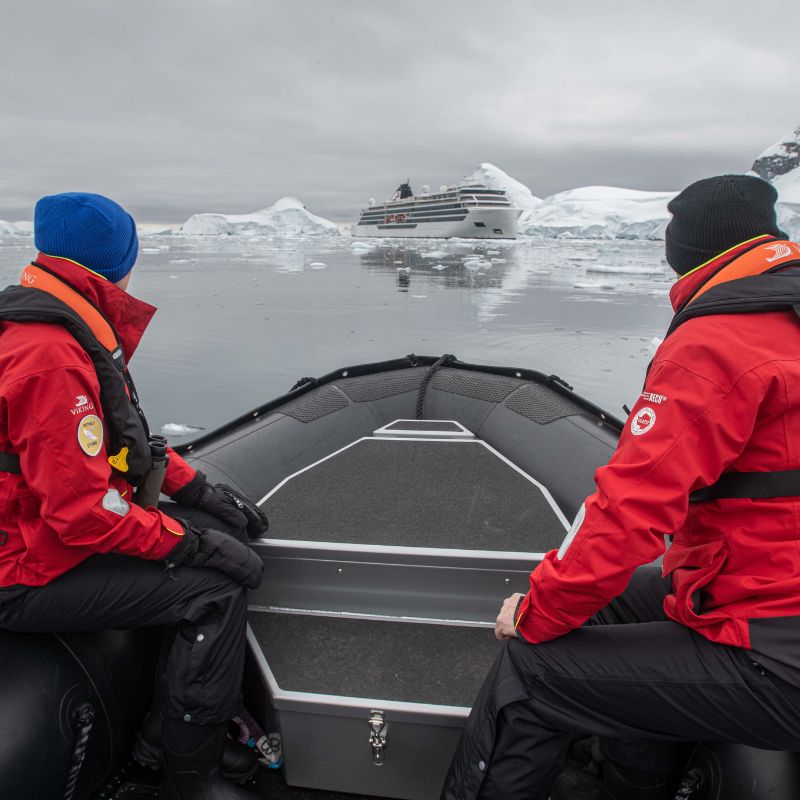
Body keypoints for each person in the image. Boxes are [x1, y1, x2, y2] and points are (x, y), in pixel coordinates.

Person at [441, 175, 800, 800]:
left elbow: (629, 507)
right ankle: (638, 783)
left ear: (693, 242)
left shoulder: (718, 342)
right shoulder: (785, 309)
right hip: (761, 582)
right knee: (619, 600)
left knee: (532, 667)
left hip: (777, 646)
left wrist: (536, 612)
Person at [0, 192, 269, 800]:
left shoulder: (51, 325)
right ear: (116, 261)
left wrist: (197, 488)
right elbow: (83, 512)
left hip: (32, 537)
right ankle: (187, 774)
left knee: (206, 542)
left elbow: (121, 445)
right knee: (216, 589)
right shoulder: (52, 357)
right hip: (21, 570)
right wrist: (194, 546)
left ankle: (163, 733)